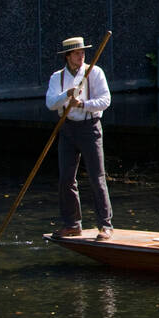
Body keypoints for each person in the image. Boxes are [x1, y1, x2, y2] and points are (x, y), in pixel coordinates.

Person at [45, 36, 113, 240]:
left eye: (83, 52)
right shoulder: (57, 78)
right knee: (66, 178)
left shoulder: (95, 72)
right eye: (77, 53)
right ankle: (72, 224)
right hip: (67, 129)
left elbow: (105, 100)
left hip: (90, 128)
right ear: (67, 56)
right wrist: (67, 95)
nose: (81, 55)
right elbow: (50, 103)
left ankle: (105, 225)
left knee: (97, 177)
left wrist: (83, 104)